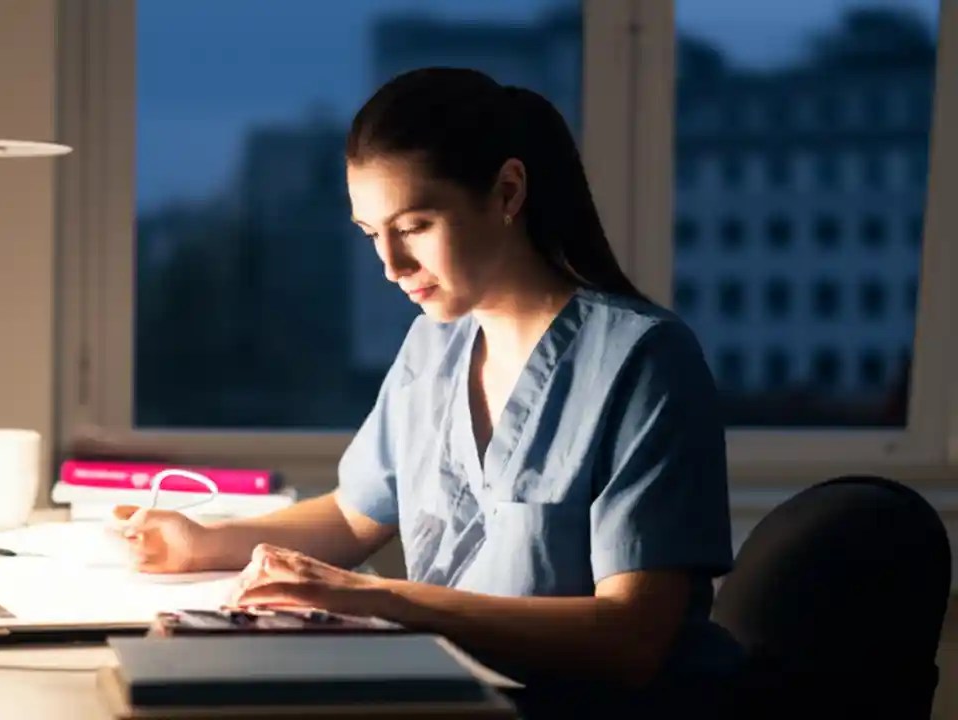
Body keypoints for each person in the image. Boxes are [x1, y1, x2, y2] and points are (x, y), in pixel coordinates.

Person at [113, 67, 741, 714]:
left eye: (413, 226)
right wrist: (202, 543)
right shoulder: (433, 346)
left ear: (506, 191)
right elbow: (354, 514)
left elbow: (630, 638)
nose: (390, 265)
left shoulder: (643, 361)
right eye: (370, 235)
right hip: (450, 698)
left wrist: (375, 600)